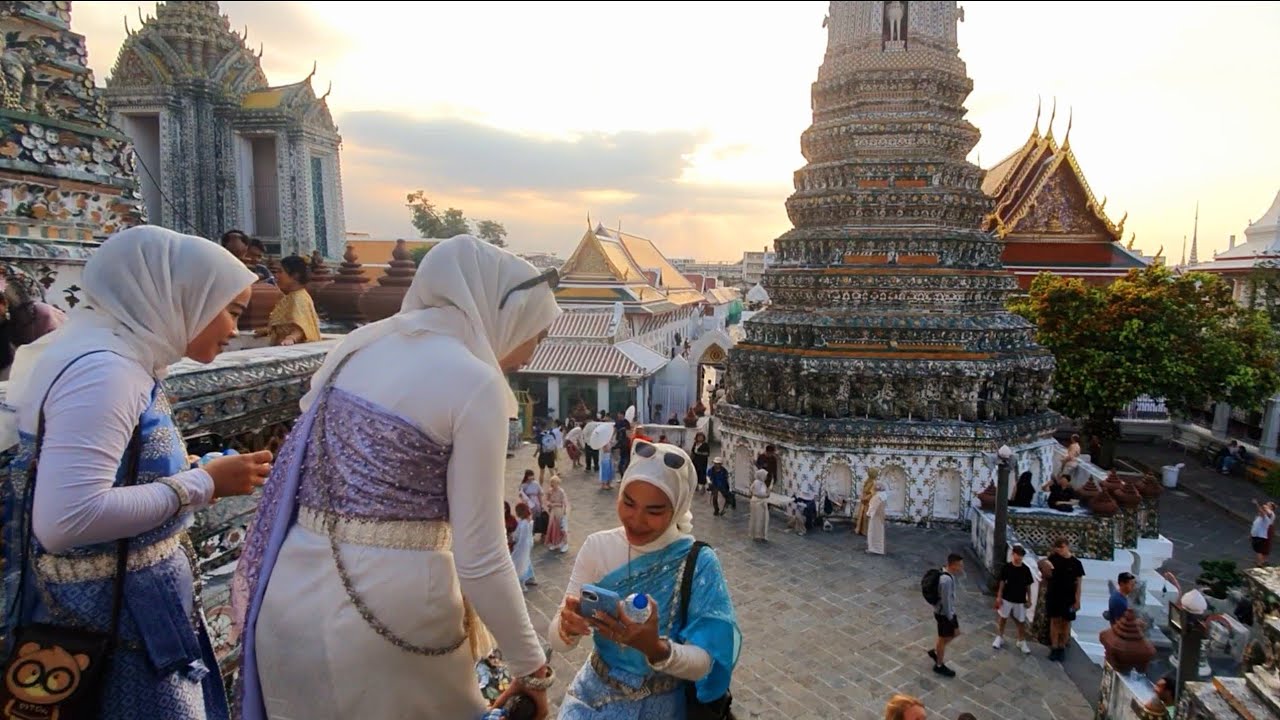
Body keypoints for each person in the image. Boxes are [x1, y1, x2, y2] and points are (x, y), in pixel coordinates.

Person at [231, 235, 561, 720]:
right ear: (502, 314)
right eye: (537, 332)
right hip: (390, 617)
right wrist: (533, 669)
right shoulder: (476, 382)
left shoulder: (356, 348)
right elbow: (482, 557)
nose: (532, 352)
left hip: (289, 600)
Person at [1, 226, 271, 719]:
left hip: (132, 612)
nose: (234, 328)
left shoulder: (120, 361)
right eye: (230, 311)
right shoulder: (107, 373)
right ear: (179, 297)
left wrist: (195, 470)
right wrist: (204, 484)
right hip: (108, 623)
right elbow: (67, 521)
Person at [549, 441, 741, 718]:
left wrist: (655, 648)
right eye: (628, 503)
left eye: (654, 511)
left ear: (676, 508)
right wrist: (566, 626)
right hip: (591, 699)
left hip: (661, 706)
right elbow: (559, 643)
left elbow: (705, 662)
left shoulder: (698, 563)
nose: (636, 520)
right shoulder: (597, 548)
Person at [255, 255, 321, 346]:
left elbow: (301, 327)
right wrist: (269, 330)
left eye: (280, 272)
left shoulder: (299, 298)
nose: (276, 276)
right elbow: (285, 323)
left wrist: (291, 338)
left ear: (295, 276)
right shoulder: (289, 296)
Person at [1045, 537, 1085, 661]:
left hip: (1069, 598)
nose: (1060, 550)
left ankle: (1062, 647)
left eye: (1062, 547)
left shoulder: (1076, 564)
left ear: (1067, 546)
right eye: (1058, 548)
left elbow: (1078, 584)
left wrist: (1077, 600)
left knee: (1066, 622)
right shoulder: (1053, 559)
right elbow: (1044, 568)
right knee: (1055, 621)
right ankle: (1054, 647)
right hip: (1054, 595)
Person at [993, 545, 1033, 654]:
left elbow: (1028, 586)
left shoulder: (1026, 570)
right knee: (1003, 618)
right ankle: (999, 637)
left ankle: (1021, 641)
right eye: (1017, 555)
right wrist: (999, 596)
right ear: (1013, 554)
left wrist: (1029, 599)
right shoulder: (1007, 567)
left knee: (1021, 621)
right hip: (1007, 597)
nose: (1019, 558)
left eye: (1021, 556)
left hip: (1020, 599)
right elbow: (1002, 582)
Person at [929, 553, 964, 677]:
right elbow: (946, 601)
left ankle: (935, 651)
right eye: (959, 565)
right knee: (944, 639)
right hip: (945, 614)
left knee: (953, 634)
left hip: (945, 612)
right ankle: (939, 665)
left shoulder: (947, 574)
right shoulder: (946, 580)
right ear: (953, 565)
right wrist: (951, 618)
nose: (961, 568)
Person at [513, 502, 537, 592]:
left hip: (522, 546)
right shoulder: (528, 521)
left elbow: (521, 537)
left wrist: (516, 544)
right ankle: (531, 578)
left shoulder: (523, 524)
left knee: (520, 563)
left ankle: (522, 584)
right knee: (527, 561)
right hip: (528, 544)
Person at [544, 475, 571, 554]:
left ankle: (565, 544)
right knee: (553, 528)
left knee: (562, 528)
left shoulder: (561, 492)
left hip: (560, 512)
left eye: (553, 483)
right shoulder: (550, 491)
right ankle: (555, 543)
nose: (552, 485)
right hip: (552, 512)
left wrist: (563, 511)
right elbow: (546, 500)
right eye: (551, 483)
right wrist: (549, 504)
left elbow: (564, 503)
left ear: (557, 483)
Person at [749, 468, 771, 542]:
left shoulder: (762, 482)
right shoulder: (757, 482)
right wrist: (766, 495)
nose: (766, 477)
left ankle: (762, 535)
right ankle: (757, 535)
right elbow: (757, 493)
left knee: (763, 519)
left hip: (761, 502)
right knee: (758, 519)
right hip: (757, 503)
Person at [1251, 500, 1275, 566]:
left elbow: (1265, 513)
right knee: (1261, 548)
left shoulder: (1269, 514)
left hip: (1262, 534)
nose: (1266, 506)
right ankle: (1262, 561)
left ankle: (1261, 562)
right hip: (1258, 534)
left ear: (1271, 507)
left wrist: (1257, 504)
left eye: (1268, 505)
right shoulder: (1262, 516)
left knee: (1261, 549)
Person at [865, 483, 887, 555]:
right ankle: (879, 549)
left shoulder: (876, 497)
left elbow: (873, 507)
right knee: (879, 532)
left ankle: (873, 549)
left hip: (875, 516)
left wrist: (868, 514)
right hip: (881, 516)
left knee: (872, 532)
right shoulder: (884, 495)